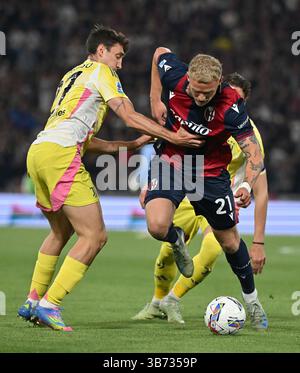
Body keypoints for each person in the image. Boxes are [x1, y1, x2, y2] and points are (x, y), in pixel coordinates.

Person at [17, 25, 203, 332]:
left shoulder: (72, 76)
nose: (120, 64)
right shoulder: (103, 73)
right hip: (62, 156)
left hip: (39, 152)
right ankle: (50, 306)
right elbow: (129, 117)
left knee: (61, 232)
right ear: (101, 51)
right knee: (95, 236)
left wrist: (128, 147)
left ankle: (33, 299)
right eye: (117, 56)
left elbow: (84, 138)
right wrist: (174, 137)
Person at [141, 47, 268, 329]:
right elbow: (159, 52)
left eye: (207, 93)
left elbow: (255, 155)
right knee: (156, 226)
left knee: (230, 242)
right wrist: (154, 99)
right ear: (188, 78)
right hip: (170, 161)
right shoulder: (173, 75)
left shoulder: (232, 106)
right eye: (196, 91)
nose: (200, 97)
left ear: (219, 82)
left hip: (210, 174)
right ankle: (176, 240)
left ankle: (253, 301)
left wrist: (247, 183)